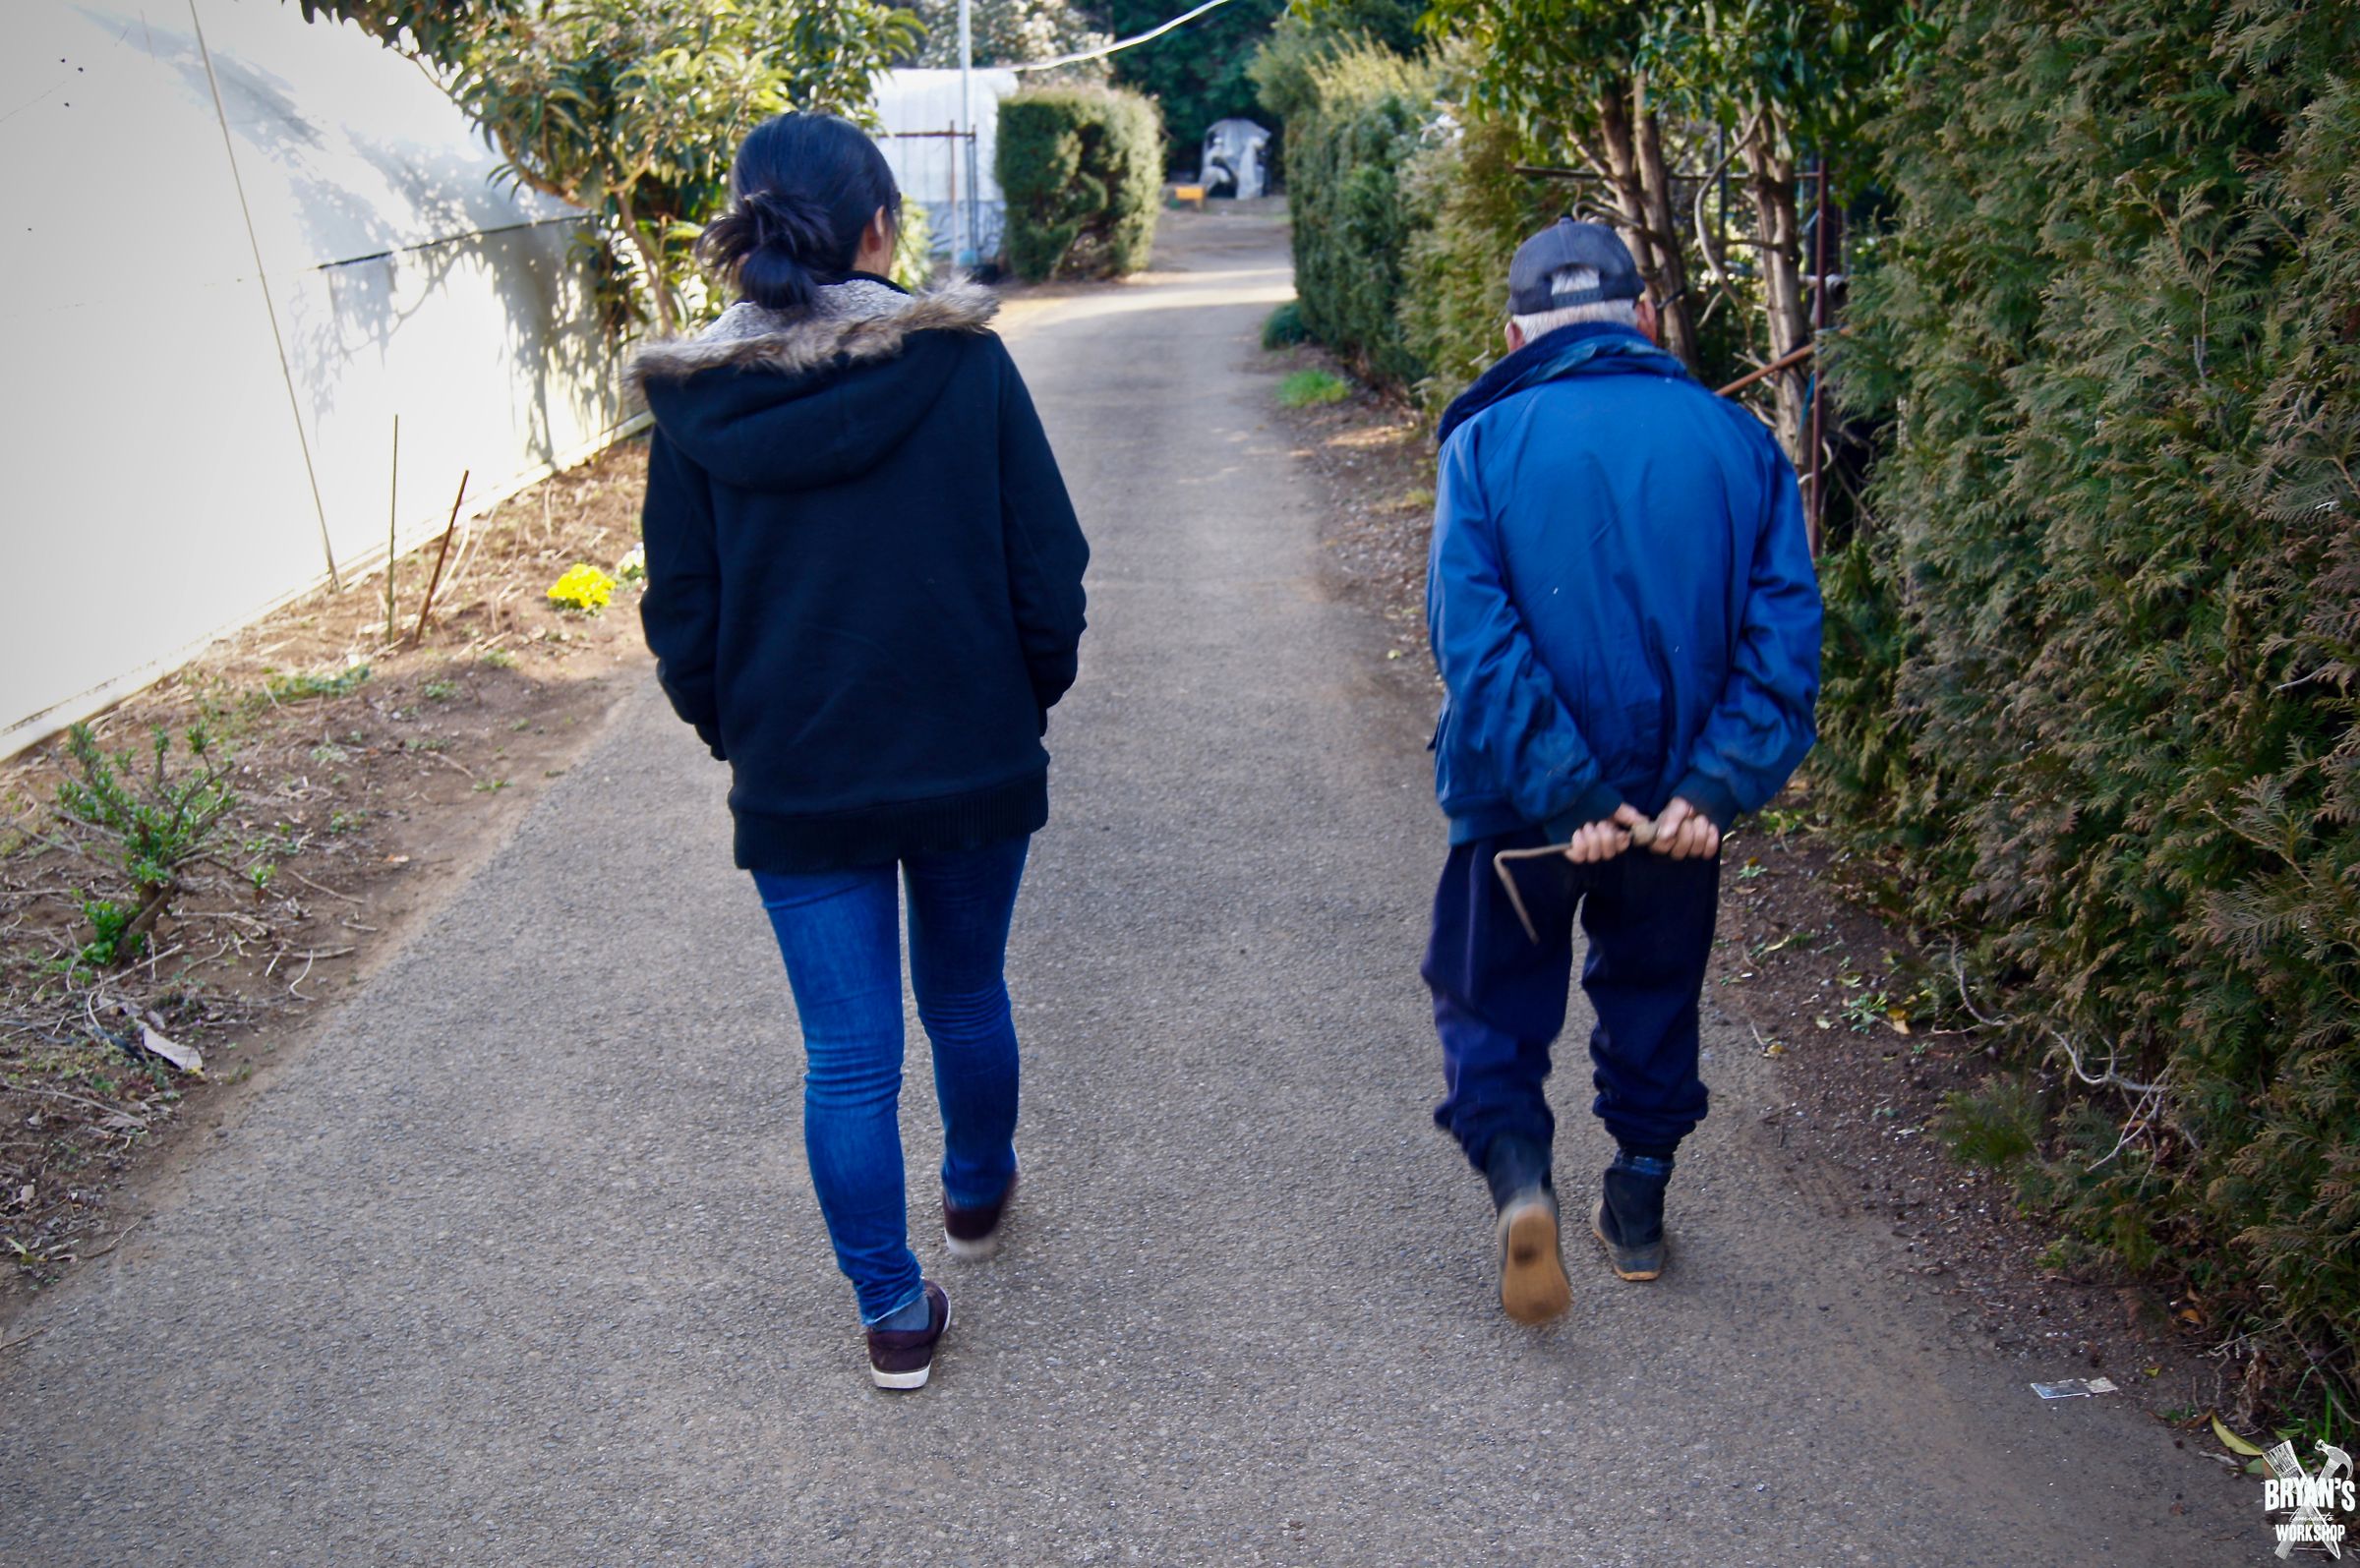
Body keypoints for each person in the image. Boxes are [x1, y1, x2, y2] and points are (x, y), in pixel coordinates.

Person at [629, 113, 1089, 1389]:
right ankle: (978, 1194)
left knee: (847, 1054)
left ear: (748, 232)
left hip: (800, 773)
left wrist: (745, 733)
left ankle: (893, 1312)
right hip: (970, 750)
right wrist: (1019, 700)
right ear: (881, 227)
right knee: (966, 993)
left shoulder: (696, 403)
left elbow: (683, 611)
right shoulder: (965, 366)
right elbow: (1047, 567)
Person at [1421, 218, 1820, 1324]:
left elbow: (1475, 640)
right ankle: (1637, 1202)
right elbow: (1784, 639)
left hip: (1520, 809)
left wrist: (1570, 794)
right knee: (1653, 985)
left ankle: (1520, 1188)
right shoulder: (1738, 445)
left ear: (1514, 334)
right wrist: (1714, 786)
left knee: (1489, 995)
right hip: (1679, 808)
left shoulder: (1484, 446)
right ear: (1644, 318)